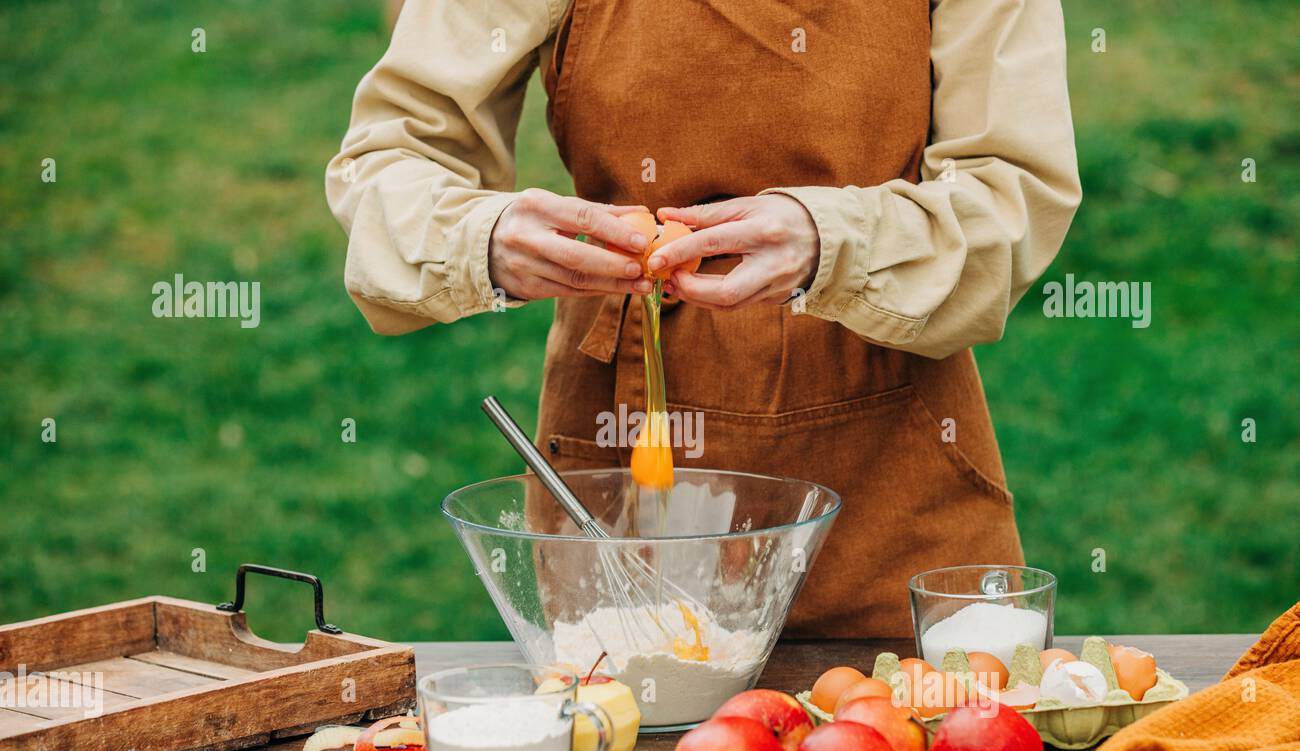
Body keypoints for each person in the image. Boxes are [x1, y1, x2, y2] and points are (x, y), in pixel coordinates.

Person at [326, 0, 1081, 637]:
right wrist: (480, 238)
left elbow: (1013, 191)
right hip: (621, 462)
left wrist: (832, 242)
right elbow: (392, 154)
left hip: (892, 478)